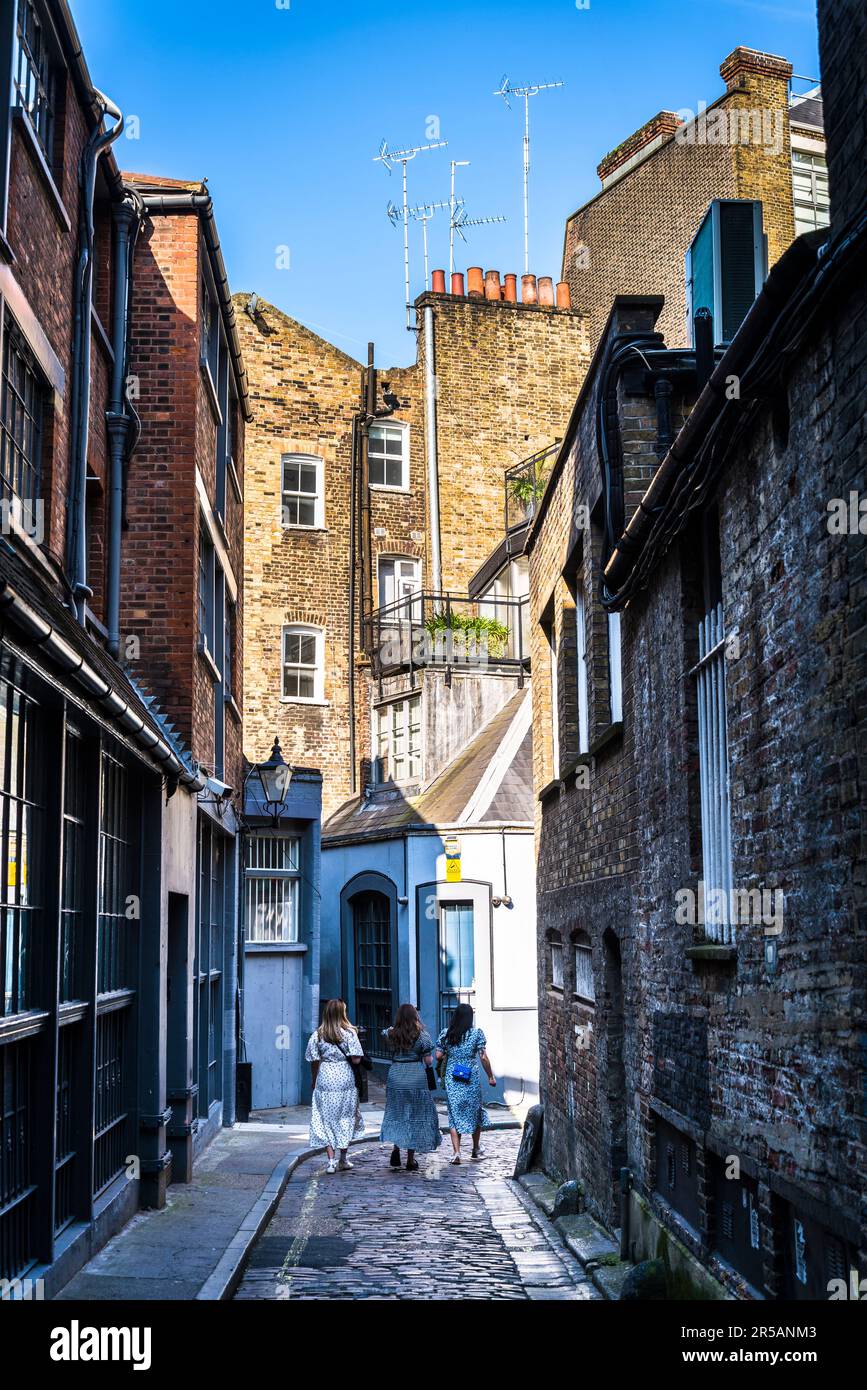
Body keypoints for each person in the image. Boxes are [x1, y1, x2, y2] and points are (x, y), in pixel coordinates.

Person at [305, 999, 365, 1174]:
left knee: (326, 1120)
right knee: (345, 1118)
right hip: (344, 1077)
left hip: (325, 1077)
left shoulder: (317, 1035)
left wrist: (314, 1079)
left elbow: (313, 1061)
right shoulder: (349, 1033)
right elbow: (356, 1059)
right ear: (342, 1013)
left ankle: (330, 1162)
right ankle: (343, 1159)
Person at [380, 1003, 442, 1171]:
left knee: (397, 1112)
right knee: (414, 1115)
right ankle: (410, 1159)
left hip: (396, 1075)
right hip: (415, 1076)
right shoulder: (421, 1035)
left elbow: (386, 1035)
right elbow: (428, 1061)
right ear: (415, 1016)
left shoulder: (390, 1034)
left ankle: (396, 1149)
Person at [436, 1003, 497, 1164]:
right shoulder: (476, 1034)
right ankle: (476, 1148)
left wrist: (451, 1053)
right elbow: (483, 1057)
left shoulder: (446, 1034)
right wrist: (490, 1076)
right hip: (470, 1078)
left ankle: (457, 1152)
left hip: (453, 1077)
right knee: (475, 1112)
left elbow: (437, 1055)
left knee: (454, 1115)